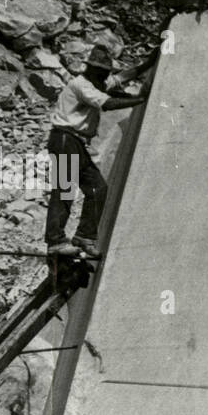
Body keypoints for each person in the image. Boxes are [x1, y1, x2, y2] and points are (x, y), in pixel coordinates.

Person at [44, 43, 154, 258]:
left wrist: (147, 65)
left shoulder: (96, 83)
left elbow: (122, 77)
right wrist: (141, 100)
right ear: (92, 70)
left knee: (98, 188)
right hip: (65, 139)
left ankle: (84, 236)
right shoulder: (82, 85)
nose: (106, 76)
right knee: (65, 190)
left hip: (74, 142)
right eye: (103, 72)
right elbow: (108, 104)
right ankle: (55, 241)